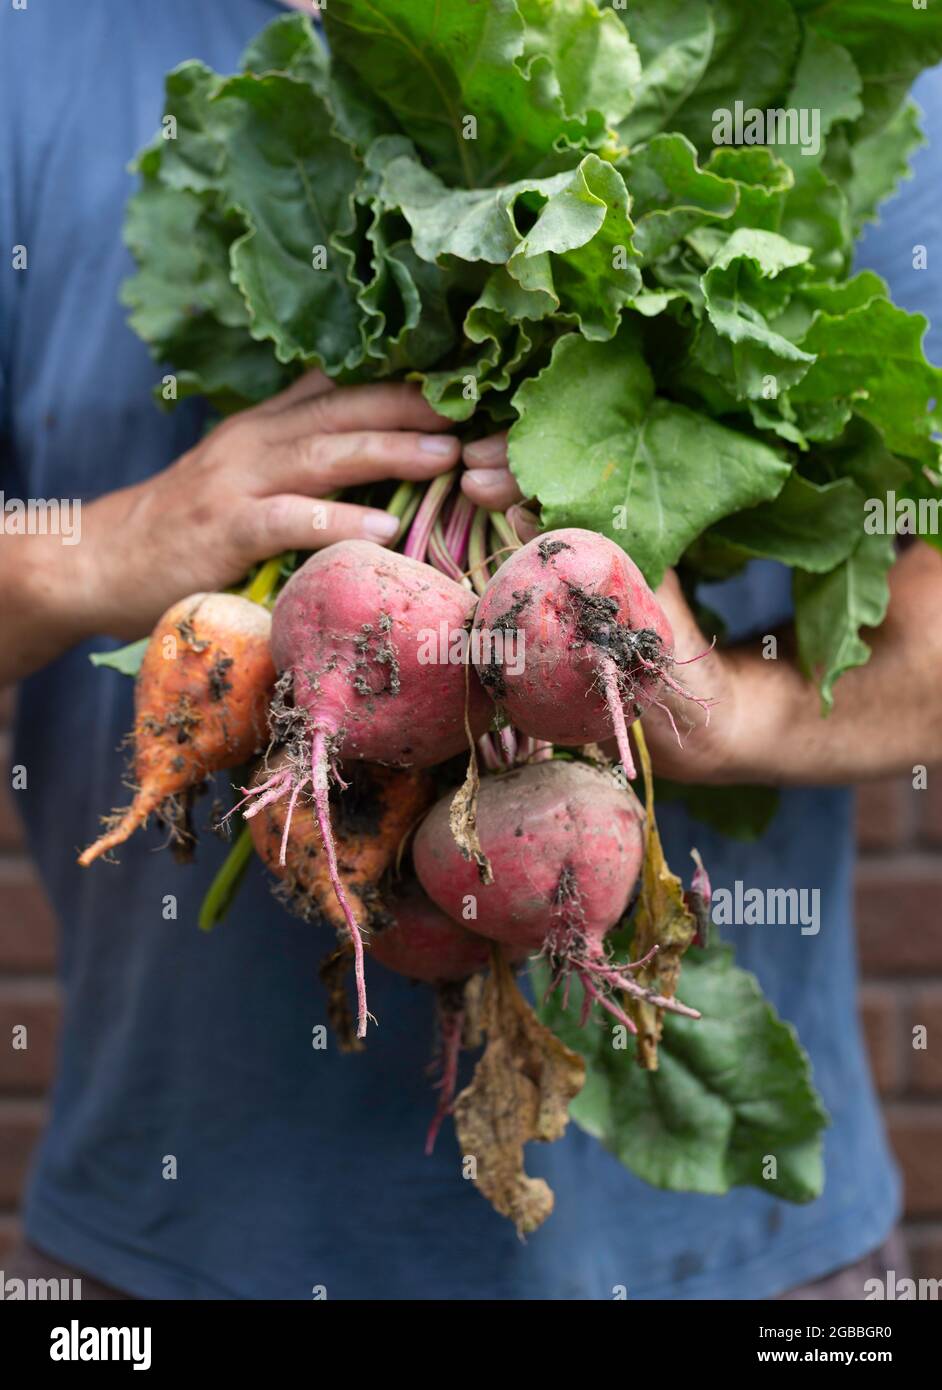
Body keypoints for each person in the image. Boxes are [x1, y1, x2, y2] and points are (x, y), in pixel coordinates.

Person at [1, 0, 939, 1300]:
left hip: (753, 1275)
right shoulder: (36, 51)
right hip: (156, 1270)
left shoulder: (779, 61)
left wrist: (726, 711)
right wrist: (107, 548)